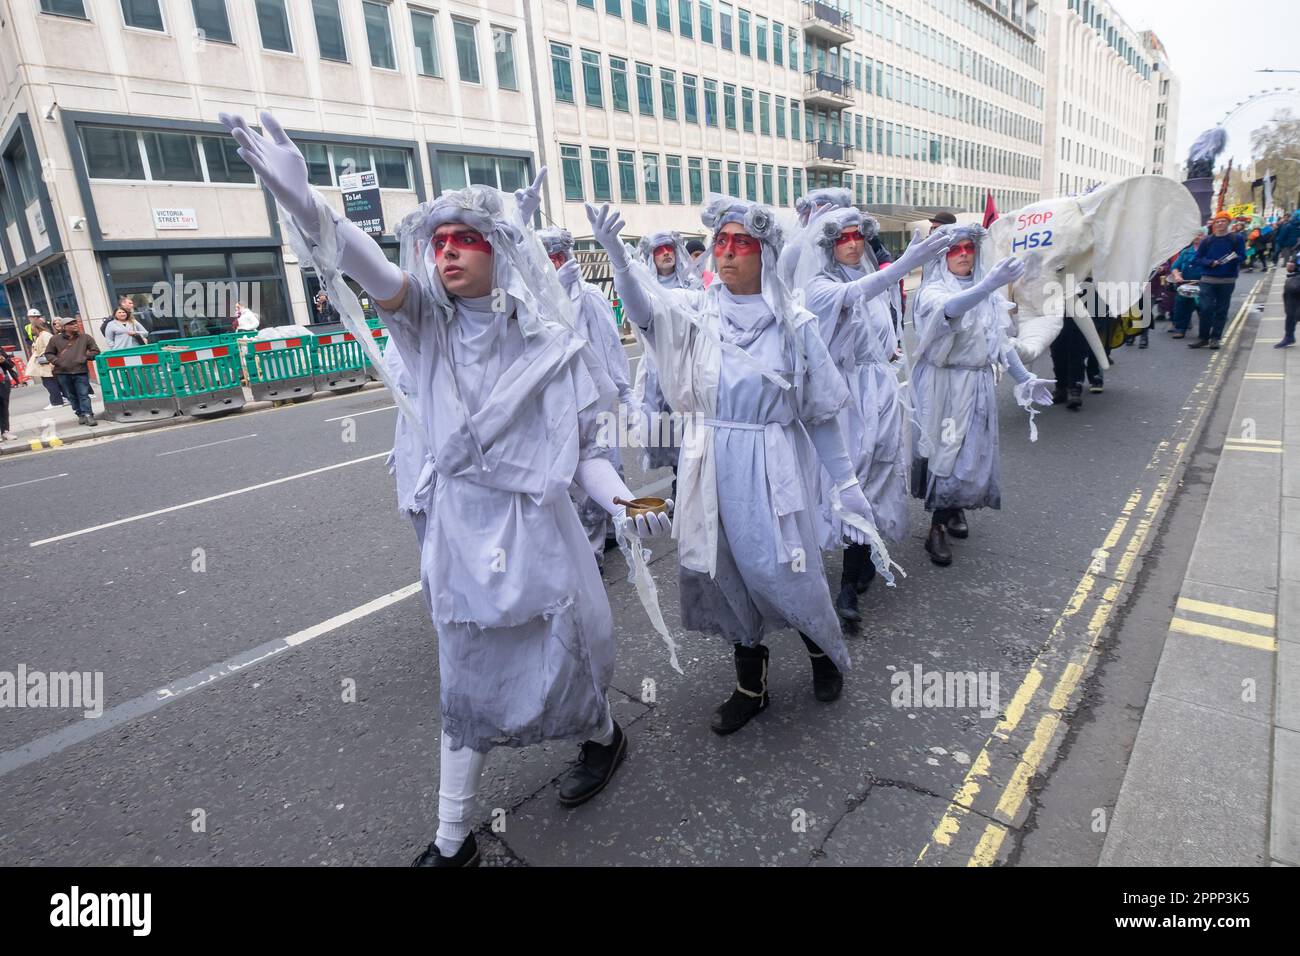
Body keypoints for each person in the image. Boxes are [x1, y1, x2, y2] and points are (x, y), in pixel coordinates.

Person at [220, 110, 671, 867]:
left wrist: (626, 502)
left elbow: (588, 452)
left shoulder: (553, 345)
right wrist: (309, 208)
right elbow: (377, 274)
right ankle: (452, 838)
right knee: (466, 674)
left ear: (500, 250)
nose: (448, 251)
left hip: (541, 527)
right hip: (463, 530)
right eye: (440, 241)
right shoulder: (424, 324)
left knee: (565, 655)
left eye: (466, 239)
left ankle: (603, 736)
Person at [587, 194, 880, 735]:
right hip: (708, 462)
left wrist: (847, 484)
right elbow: (647, 315)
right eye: (720, 243)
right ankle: (751, 685)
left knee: (784, 569)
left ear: (765, 252)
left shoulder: (793, 325)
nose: (725, 254)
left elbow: (817, 414)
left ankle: (820, 649)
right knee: (724, 572)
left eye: (740, 243)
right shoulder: (699, 315)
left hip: (769, 465)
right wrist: (616, 256)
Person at [796, 207, 948, 622]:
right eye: (841, 238)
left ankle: (862, 557)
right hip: (846, 396)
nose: (851, 244)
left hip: (879, 388)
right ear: (829, 245)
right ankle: (847, 586)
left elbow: (885, 329)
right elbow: (855, 294)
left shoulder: (878, 290)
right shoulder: (820, 287)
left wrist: (891, 355)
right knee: (853, 477)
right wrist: (903, 265)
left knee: (881, 471)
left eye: (856, 236)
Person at [910, 224, 1054, 566]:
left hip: (977, 384)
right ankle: (935, 530)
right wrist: (988, 284)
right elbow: (951, 309)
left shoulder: (987, 295)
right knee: (946, 454)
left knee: (971, 452)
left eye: (968, 248)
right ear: (943, 256)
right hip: (945, 385)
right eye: (955, 249)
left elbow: (1000, 343)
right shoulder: (931, 291)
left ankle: (955, 507)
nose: (963, 254)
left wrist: (1024, 378)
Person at [539, 225, 635, 564]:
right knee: (572, 474)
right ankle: (592, 540)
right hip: (559, 400)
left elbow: (610, 348)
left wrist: (623, 393)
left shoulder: (589, 296)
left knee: (602, 461)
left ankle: (598, 545)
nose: (548, 265)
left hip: (594, 395)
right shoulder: (539, 298)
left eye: (552, 257)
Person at [631, 230, 702, 496]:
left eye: (669, 248)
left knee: (691, 429)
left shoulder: (692, 286)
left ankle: (687, 483)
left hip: (688, 368)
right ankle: (679, 477)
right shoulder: (644, 291)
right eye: (659, 250)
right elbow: (641, 330)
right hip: (657, 371)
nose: (665, 253)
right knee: (664, 431)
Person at [1190, 211, 1246, 350]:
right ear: (1214, 224)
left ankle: (1215, 338)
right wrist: (1209, 262)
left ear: (1228, 223)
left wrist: (1234, 258)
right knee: (1206, 308)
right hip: (1208, 279)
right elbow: (1197, 259)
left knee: (1221, 310)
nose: (1220, 223)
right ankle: (1203, 337)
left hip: (1227, 280)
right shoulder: (1207, 241)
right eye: (1218, 221)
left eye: (1223, 221)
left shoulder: (1236, 239)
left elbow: (1242, 256)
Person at [45, 316, 100, 426]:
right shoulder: (55, 339)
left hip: (80, 370)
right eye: (71, 324)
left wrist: (84, 357)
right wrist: (57, 361)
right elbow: (48, 353)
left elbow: (96, 351)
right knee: (71, 395)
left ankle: (88, 415)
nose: (75, 325)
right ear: (64, 327)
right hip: (62, 372)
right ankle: (80, 414)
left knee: (84, 394)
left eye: (75, 323)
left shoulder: (85, 337)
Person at [1167, 233, 1204, 340]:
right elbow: (1175, 267)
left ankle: (1204, 333)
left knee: (1203, 309)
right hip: (1185, 284)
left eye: (1200, 235)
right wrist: (1177, 275)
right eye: (1195, 235)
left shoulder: (1208, 251)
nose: (1197, 237)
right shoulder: (1185, 251)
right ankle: (1180, 329)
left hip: (1202, 285)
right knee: (1181, 307)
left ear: (1205, 237)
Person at [26, 318, 65, 410]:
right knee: (51, 382)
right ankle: (61, 399)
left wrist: (48, 359)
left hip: (47, 363)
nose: (31, 329)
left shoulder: (45, 335)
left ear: (36, 327)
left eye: (32, 327)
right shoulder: (40, 336)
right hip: (45, 363)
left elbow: (51, 348)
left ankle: (56, 401)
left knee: (49, 382)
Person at [1276, 246, 1300, 348]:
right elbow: (1295, 262)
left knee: (1297, 313)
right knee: (1290, 312)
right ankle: (1289, 336)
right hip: (1295, 284)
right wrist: (1292, 266)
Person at [0, 347, 18, 440]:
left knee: (3, 406)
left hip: (2, 382)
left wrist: (3, 360)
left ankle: (5, 431)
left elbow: (10, 365)